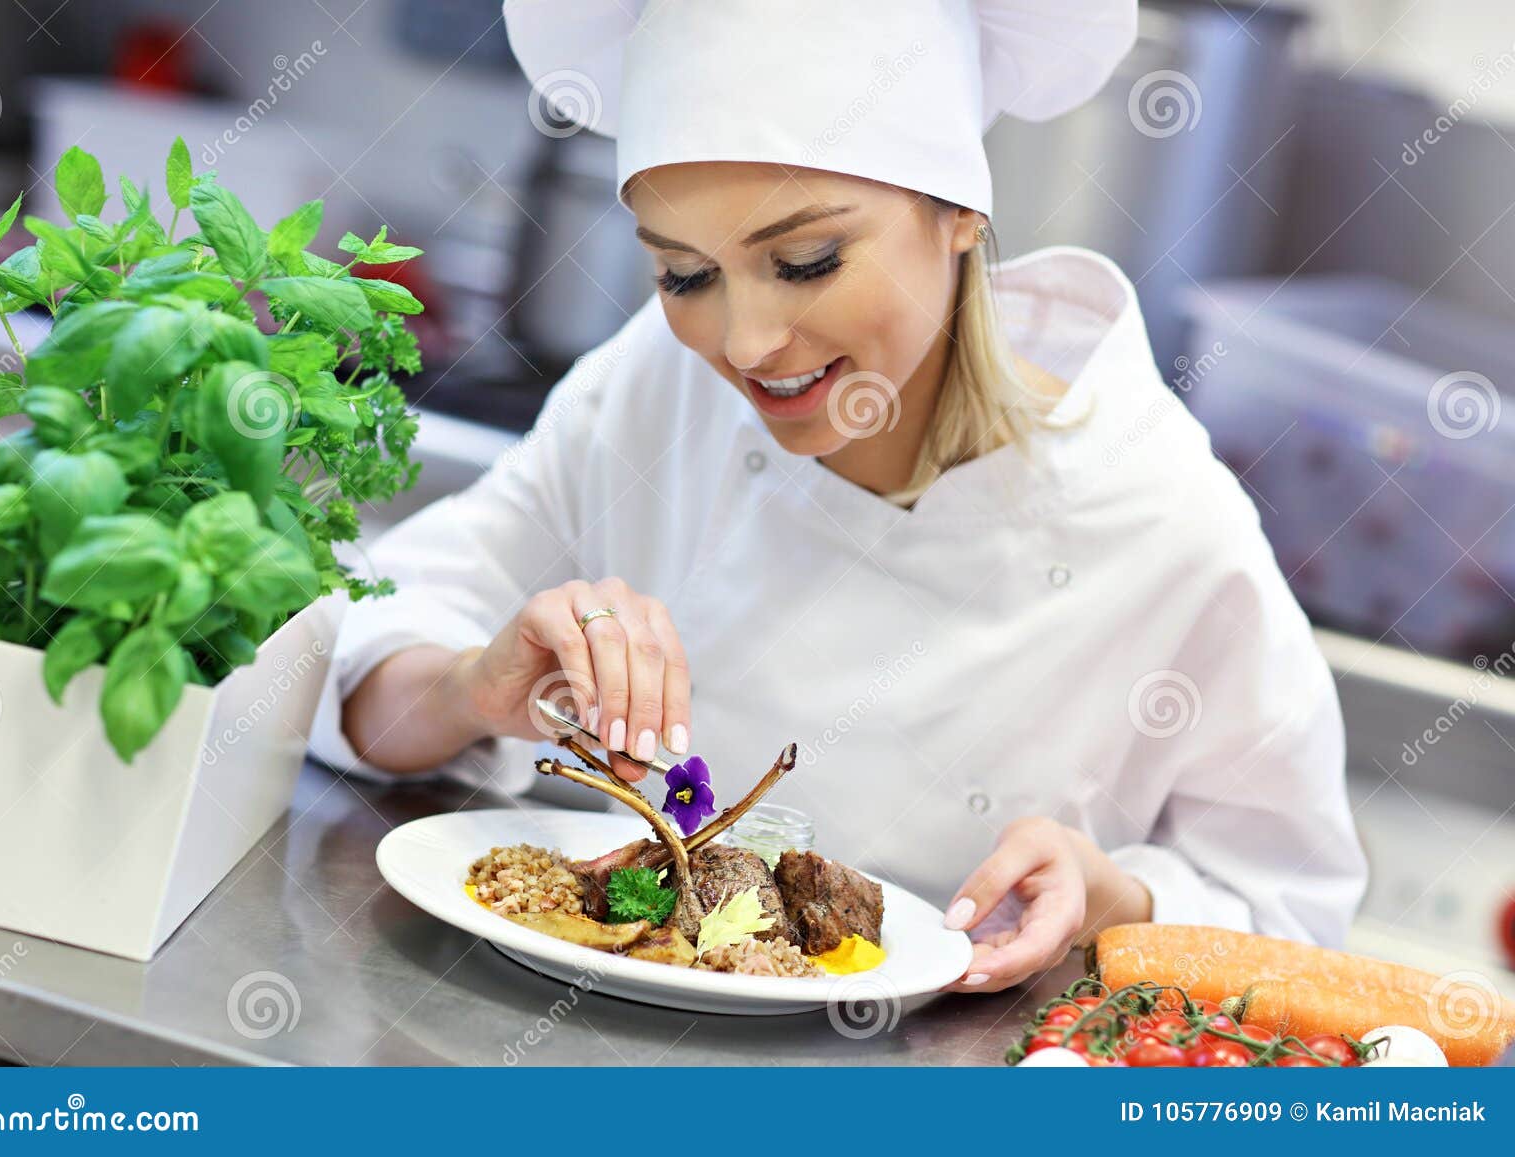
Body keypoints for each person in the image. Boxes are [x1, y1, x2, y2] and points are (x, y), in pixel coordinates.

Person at [309, 0, 1368, 991]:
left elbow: (1288, 927)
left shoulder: (1166, 521)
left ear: (956, 212)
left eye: (807, 260)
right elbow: (348, 649)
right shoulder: (653, 391)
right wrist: (468, 687)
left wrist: (1115, 898)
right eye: (685, 276)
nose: (746, 341)